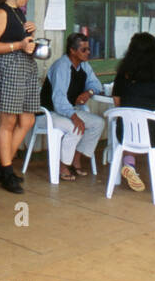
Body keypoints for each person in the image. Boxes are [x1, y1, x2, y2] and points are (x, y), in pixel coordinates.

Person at [0, 0, 39, 194]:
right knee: (8, 121)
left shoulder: (18, 12)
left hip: (25, 67)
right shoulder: (1, 12)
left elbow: (18, 39)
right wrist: (19, 45)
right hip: (9, 67)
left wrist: (29, 34)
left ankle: (2, 166)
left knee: (27, 120)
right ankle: (7, 171)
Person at [111, 32, 155, 192]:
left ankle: (129, 165)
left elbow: (117, 103)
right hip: (151, 131)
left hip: (123, 131)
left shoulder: (122, 74)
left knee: (131, 134)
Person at [40, 32, 106, 180]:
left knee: (98, 123)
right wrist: (74, 117)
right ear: (72, 50)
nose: (88, 52)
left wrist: (88, 93)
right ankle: (62, 166)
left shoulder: (84, 65)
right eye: (84, 50)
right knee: (76, 128)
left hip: (68, 110)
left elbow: (96, 84)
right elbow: (58, 100)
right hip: (49, 113)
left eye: (88, 49)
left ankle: (75, 160)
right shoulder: (62, 67)